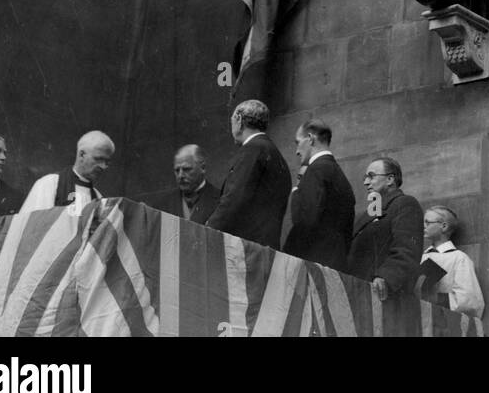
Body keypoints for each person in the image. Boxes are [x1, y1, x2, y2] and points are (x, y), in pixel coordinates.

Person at [206, 100, 290, 249]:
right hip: (267, 249)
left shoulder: (252, 150)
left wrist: (207, 229)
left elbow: (234, 199)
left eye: (231, 121)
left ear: (239, 119)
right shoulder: (276, 156)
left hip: (246, 250)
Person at [282, 119, 355, 272]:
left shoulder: (316, 171)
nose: (296, 151)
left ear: (310, 138)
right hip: (334, 264)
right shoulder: (339, 175)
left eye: (298, 142)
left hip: (311, 265)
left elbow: (303, 221)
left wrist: (297, 191)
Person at [346, 158, 423, 300]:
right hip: (357, 291)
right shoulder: (371, 212)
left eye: (371, 176)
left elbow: (407, 250)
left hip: (381, 293)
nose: (366, 182)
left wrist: (386, 277)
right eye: (365, 177)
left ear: (390, 179)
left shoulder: (405, 204)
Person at [19, 131, 114, 215]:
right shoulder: (50, 184)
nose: (103, 166)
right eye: (98, 159)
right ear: (82, 155)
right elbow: (30, 227)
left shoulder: (98, 197)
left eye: (107, 162)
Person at [417, 206, 485, 317]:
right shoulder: (420, 257)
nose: (424, 226)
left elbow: (470, 301)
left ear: (443, 226)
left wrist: (434, 298)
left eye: (428, 222)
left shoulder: (459, 258)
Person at [136, 144, 220, 224]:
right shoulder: (162, 204)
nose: (180, 175)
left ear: (203, 168)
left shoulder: (221, 201)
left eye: (187, 169)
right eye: (177, 170)